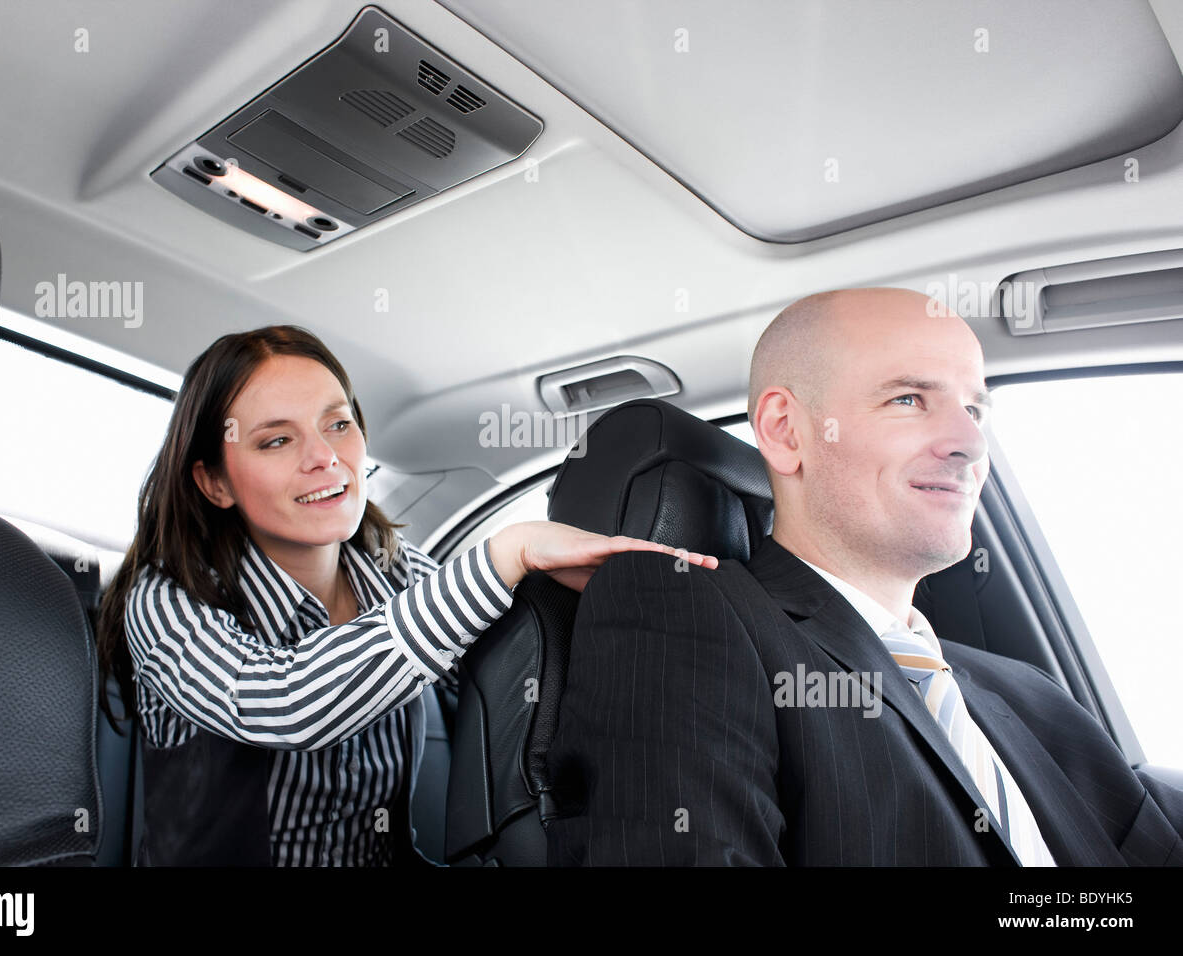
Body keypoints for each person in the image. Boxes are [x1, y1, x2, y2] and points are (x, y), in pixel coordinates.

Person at [545, 287, 1183, 866]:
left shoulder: (1031, 694)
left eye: (975, 410)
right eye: (909, 399)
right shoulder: (681, 612)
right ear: (787, 431)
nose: (969, 441)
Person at [94, 324, 716, 867]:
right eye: (276, 440)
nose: (324, 458)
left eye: (338, 424)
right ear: (214, 481)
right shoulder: (167, 601)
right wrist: (505, 551)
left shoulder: (394, 574)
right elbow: (285, 702)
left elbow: (520, 677)